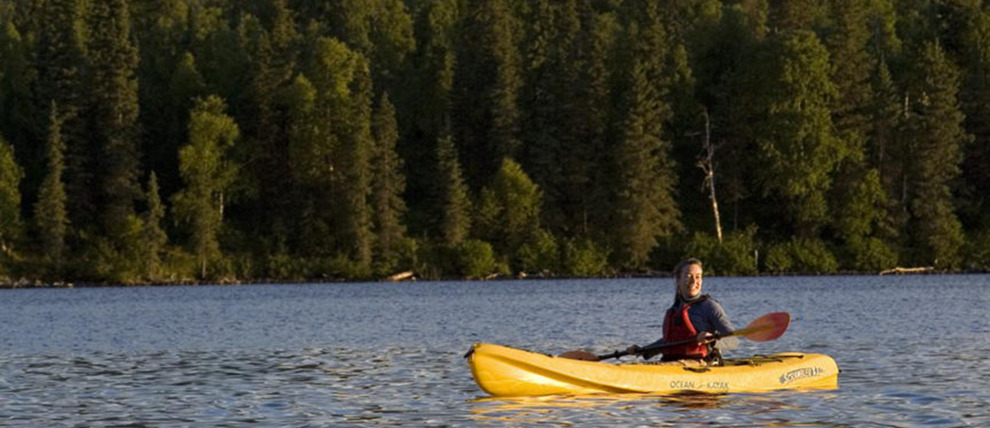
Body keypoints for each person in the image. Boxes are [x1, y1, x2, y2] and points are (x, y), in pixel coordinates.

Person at [629, 258, 736, 366]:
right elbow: (670, 342)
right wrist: (642, 350)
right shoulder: (676, 308)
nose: (694, 281)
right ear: (679, 280)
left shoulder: (710, 307)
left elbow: (732, 341)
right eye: (688, 276)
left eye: (698, 277)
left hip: (699, 363)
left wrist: (712, 340)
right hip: (670, 362)